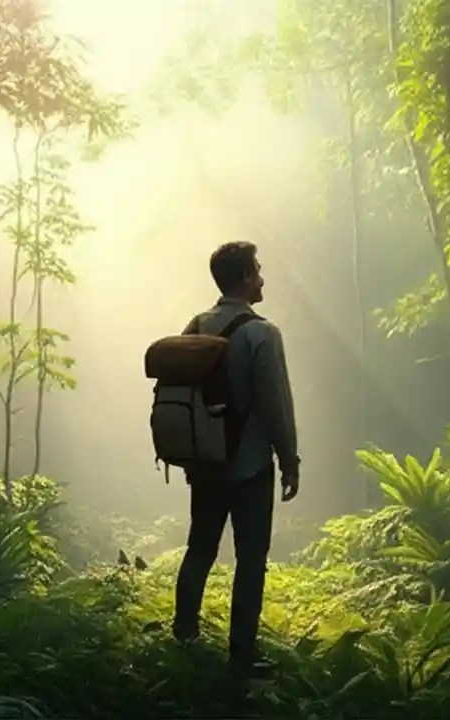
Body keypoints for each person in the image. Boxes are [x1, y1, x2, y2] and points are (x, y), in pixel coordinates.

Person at [171, 241, 300, 680]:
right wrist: (290, 459)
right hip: (249, 468)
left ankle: (183, 637)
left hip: (205, 464)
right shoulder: (263, 333)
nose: (262, 278)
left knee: (199, 549)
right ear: (245, 277)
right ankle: (241, 657)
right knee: (250, 558)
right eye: (258, 271)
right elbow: (276, 405)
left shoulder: (195, 326)